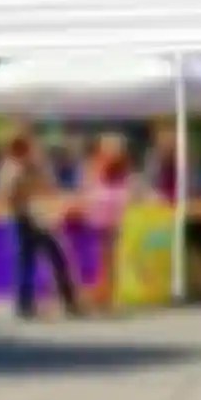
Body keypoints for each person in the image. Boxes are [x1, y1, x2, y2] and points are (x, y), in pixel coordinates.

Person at [0, 130, 81, 319]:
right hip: (25, 218)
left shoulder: (31, 166)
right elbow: (8, 196)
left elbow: (48, 186)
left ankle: (64, 301)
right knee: (32, 261)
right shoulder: (12, 169)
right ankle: (27, 305)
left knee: (51, 258)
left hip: (38, 215)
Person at [83, 133, 134, 311]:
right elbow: (89, 190)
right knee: (104, 260)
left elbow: (126, 192)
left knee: (109, 260)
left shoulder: (120, 171)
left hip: (110, 219)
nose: (112, 152)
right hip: (101, 218)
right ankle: (104, 296)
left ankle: (108, 297)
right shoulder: (96, 167)